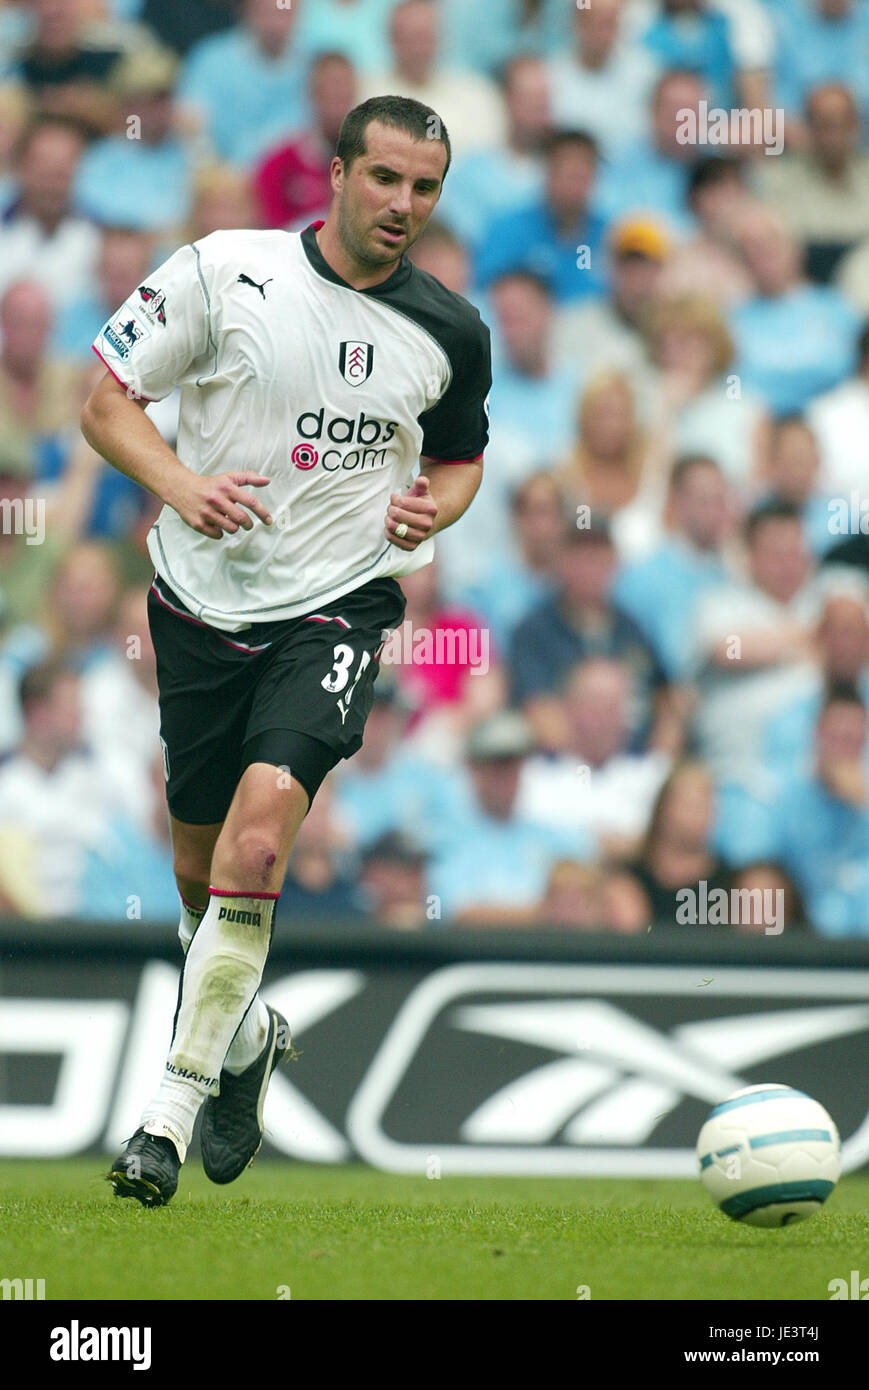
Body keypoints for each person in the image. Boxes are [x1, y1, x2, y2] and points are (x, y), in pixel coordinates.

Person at [80, 94, 491, 1207]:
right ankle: (247, 1037)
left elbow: (459, 460)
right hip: (199, 608)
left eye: (425, 188)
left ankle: (164, 1114)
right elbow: (105, 402)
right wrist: (180, 485)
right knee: (195, 883)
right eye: (386, 179)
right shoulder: (223, 269)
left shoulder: (451, 331)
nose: (404, 204)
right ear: (338, 173)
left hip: (337, 608)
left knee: (256, 852)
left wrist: (431, 514)